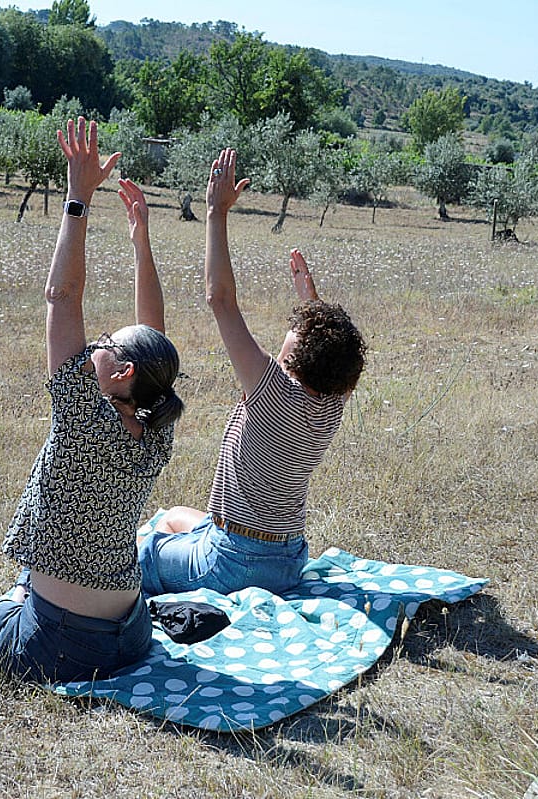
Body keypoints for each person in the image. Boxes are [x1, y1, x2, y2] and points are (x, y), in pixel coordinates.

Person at [0, 118, 184, 683]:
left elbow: (61, 295)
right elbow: (155, 339)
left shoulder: (83, 417)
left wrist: (77, 198)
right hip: (131, 635)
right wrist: (140, 241)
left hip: (61, 649)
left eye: (103, 345)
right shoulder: (155, 422)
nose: (92, 343)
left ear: (120, 372)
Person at [138, 147, 367, 598]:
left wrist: (215, 214)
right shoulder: (333, 400)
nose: (290, 329)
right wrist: (311, 299)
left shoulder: (274, 391)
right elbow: (327, 347)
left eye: (296, 329)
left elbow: (219, 300)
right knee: (175, 516)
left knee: (134, 551)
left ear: (299, 356)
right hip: (287, 560)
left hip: (232, 563)